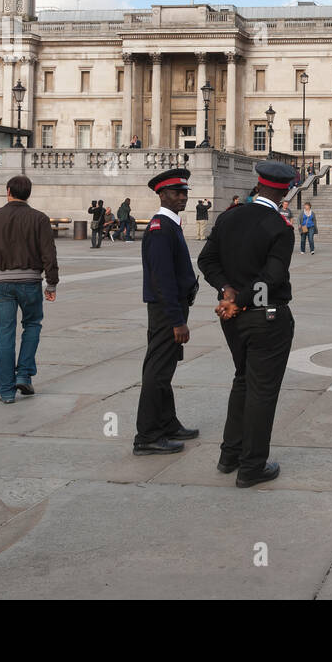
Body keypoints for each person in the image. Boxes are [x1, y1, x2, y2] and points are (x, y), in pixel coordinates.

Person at [197, 161, 296, 488]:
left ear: (258, 184)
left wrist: (227, 291)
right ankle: (252, 466)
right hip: (266, 316)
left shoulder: (229, 217)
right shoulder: (280, 227)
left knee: (243, 380)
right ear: (285, 191)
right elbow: (271, 278)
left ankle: (230, 455)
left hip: (233, 319)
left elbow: (206, 260)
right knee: (262, 391)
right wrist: (239, 300)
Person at [0, 174, 59, 404]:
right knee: (32, 325)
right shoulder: (39, 218)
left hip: (1, 283)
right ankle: (24, 374)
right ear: (28, 193)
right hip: (30, 281)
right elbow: (49, 253)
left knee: (5, 334)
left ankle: (6, 391)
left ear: (8, 191)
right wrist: (51, 282)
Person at [132, 168, 200, 453]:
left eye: (184, 193)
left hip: (171, 307)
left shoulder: (171, 224)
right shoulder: (160, 228)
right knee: (157, 371)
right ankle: (147, 436)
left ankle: (167, 422)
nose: (182, 197)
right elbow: (162, 279)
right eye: (176, 193)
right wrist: (176, 320)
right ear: (162, 195)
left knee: (165, 367)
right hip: (165, 310)